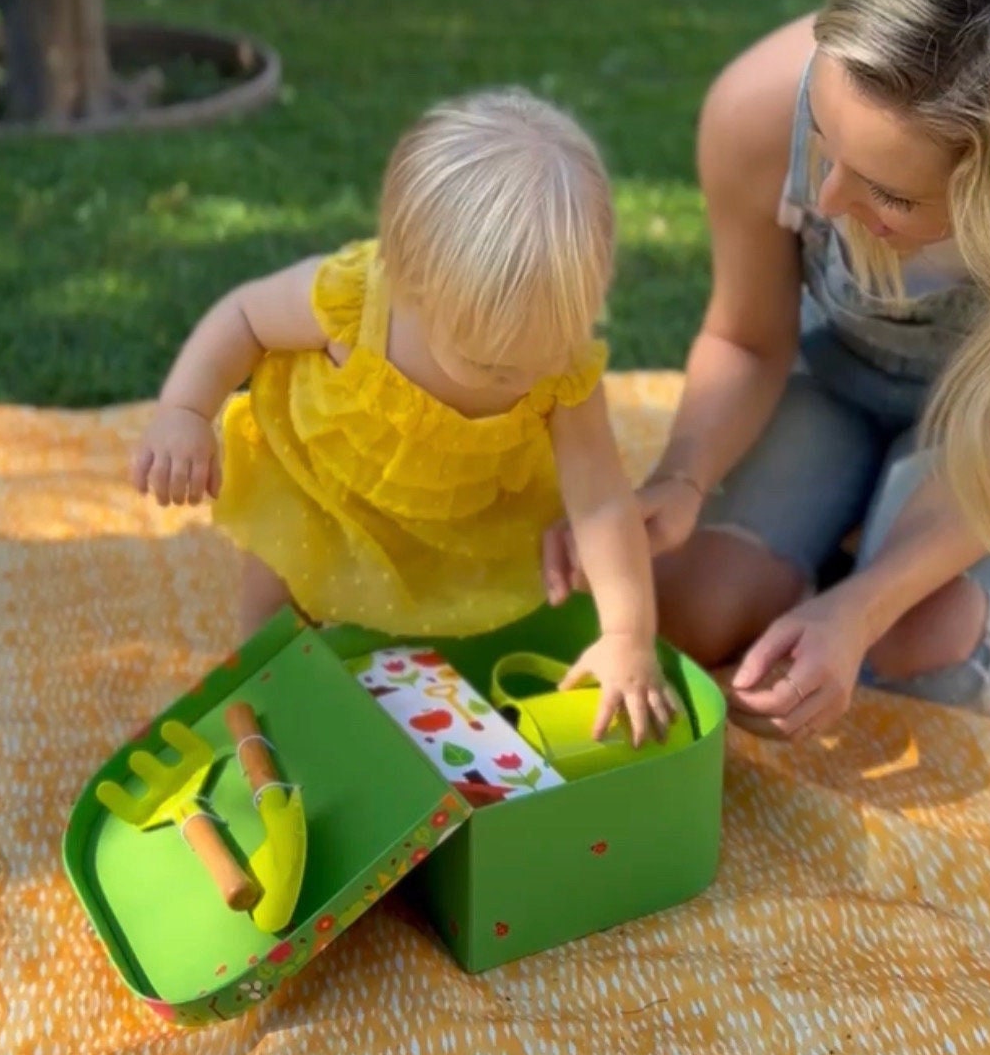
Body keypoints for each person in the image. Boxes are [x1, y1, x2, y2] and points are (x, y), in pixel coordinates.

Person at [546, 0, 990, 738]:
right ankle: (865, 525)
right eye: (827, 146)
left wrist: (861, 611)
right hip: (831, 374)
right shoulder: (757, 109)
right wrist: (683, 474)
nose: (829, 201)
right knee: (691, 612)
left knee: (927, 660)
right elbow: (745, 337)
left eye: (892, 194)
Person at [131, 88, 676, 745]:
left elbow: (601, 500)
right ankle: (265, 686)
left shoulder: (559, 363)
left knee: (461, 599)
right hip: (325, 481)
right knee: (280, 580)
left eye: (550, 351)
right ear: (408, 283)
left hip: (462, 506)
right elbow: (245, 316)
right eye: (495, 368)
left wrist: (627, 636)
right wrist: (185, 410)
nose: (529, 377)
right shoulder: (351, 300)